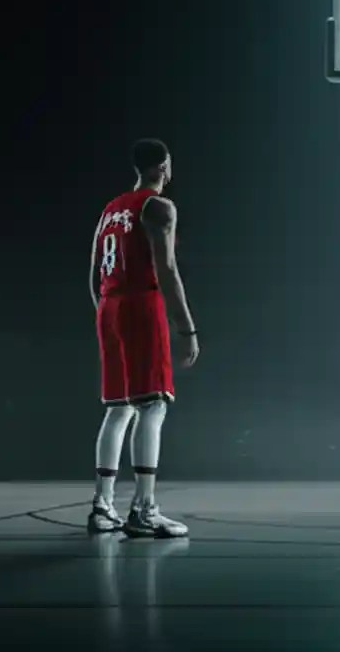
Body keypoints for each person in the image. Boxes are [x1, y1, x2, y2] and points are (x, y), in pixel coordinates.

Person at [87, 138, 199, 538]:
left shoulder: (110, 209)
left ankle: (102, 507)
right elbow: (167, 270)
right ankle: (144, 509)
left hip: (108, 304)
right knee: (152, 406)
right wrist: (186, 327)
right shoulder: (159, 207)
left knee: (118, 409)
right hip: (139, 304)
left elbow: (95, 271)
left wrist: (106, 312)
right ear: (162, 167)